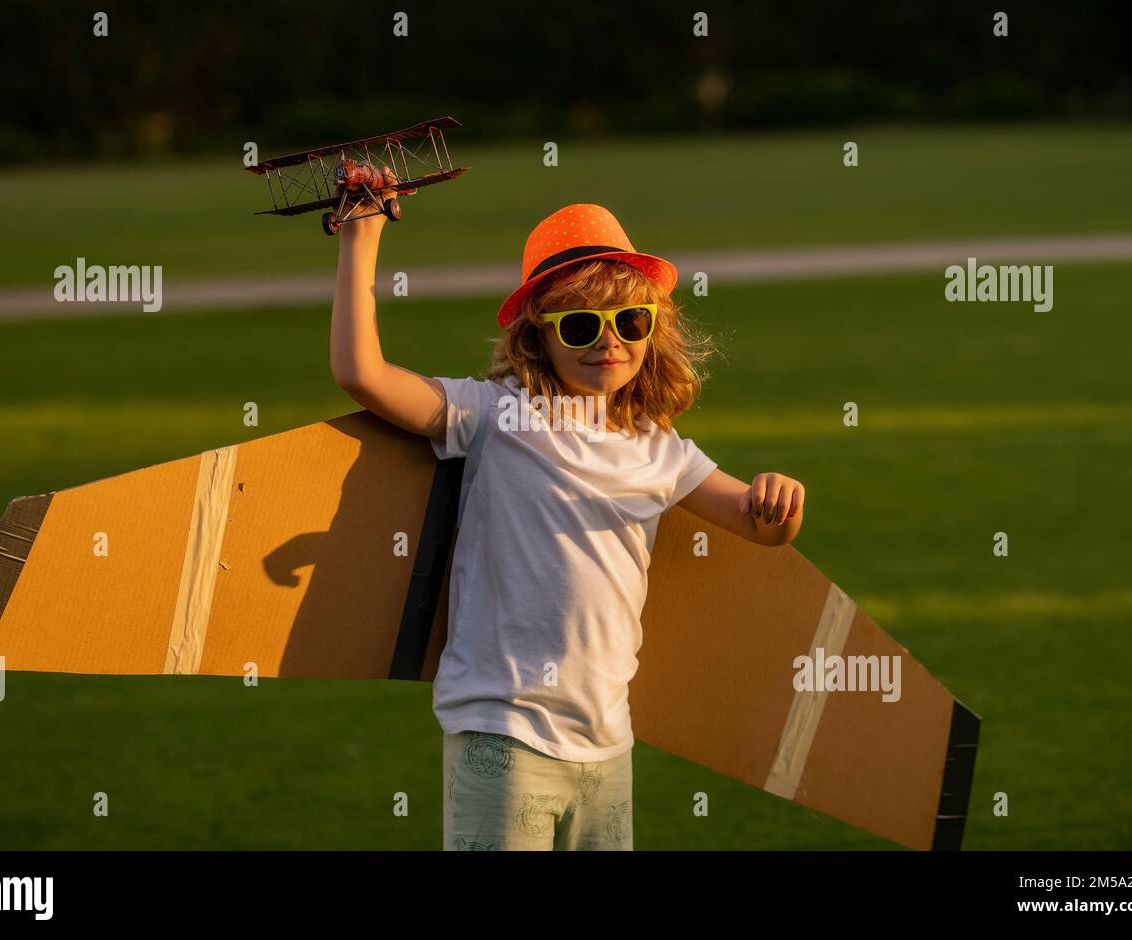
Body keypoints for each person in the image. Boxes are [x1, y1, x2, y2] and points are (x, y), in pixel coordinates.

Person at [330, 191, 805, 850]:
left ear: (652, 329)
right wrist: (362, 236)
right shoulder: (497, 418)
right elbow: (363, 374)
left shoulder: (658, 448)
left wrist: (779, 500)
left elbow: (761, 527)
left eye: (630, 321)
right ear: (538, 337)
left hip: (607, 748)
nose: (609, 342)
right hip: (505, 739)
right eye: (581, 326)